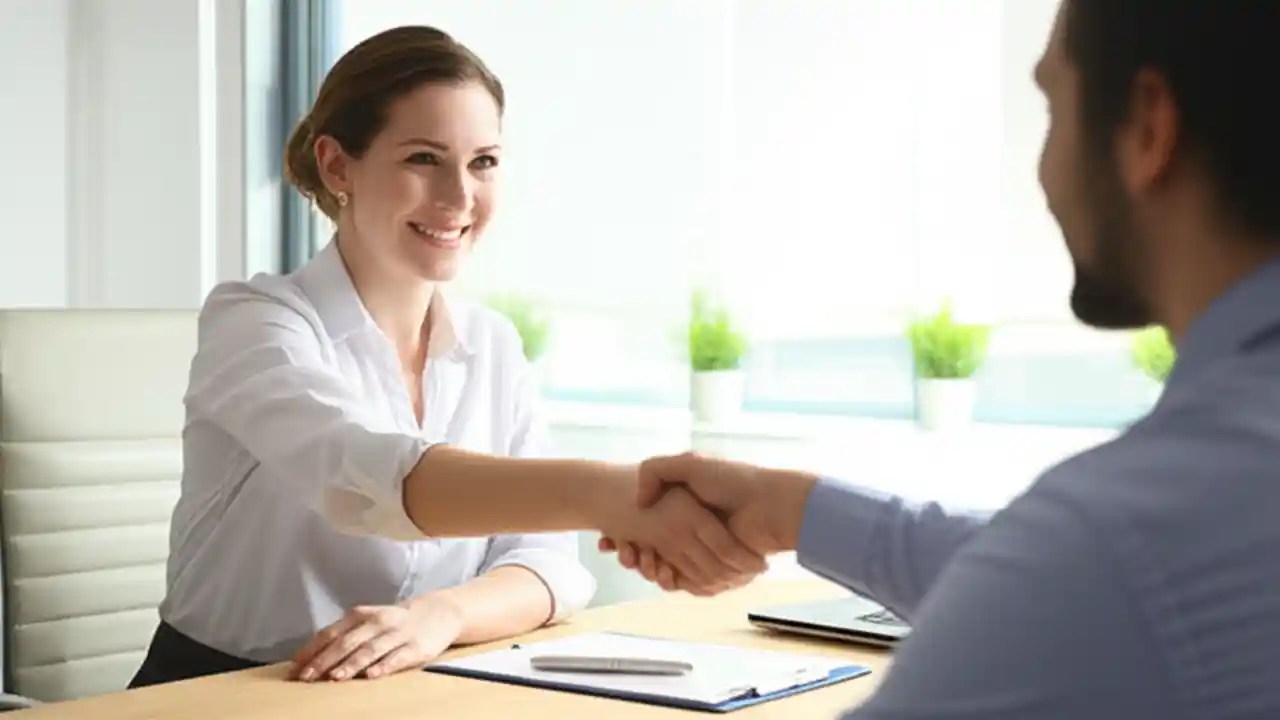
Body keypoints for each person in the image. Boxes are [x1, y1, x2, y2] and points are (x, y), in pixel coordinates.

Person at [606, 1, 1280, 717]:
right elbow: (1052, 589)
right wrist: (798, 512)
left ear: (1148, 128)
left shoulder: (1120, 543)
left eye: (1052, 109)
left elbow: (1083, 585)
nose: (1043, 174)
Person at [130, 25, 764, 690]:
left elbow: (547, 564)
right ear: (338, 166)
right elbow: (366, 475)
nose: (460, 197)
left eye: (483, 161)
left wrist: (438, 614)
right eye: (424, 159)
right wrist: (619, 497)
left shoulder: (490, 344)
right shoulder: (254, 324)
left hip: (407, 686)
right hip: (227, 692)